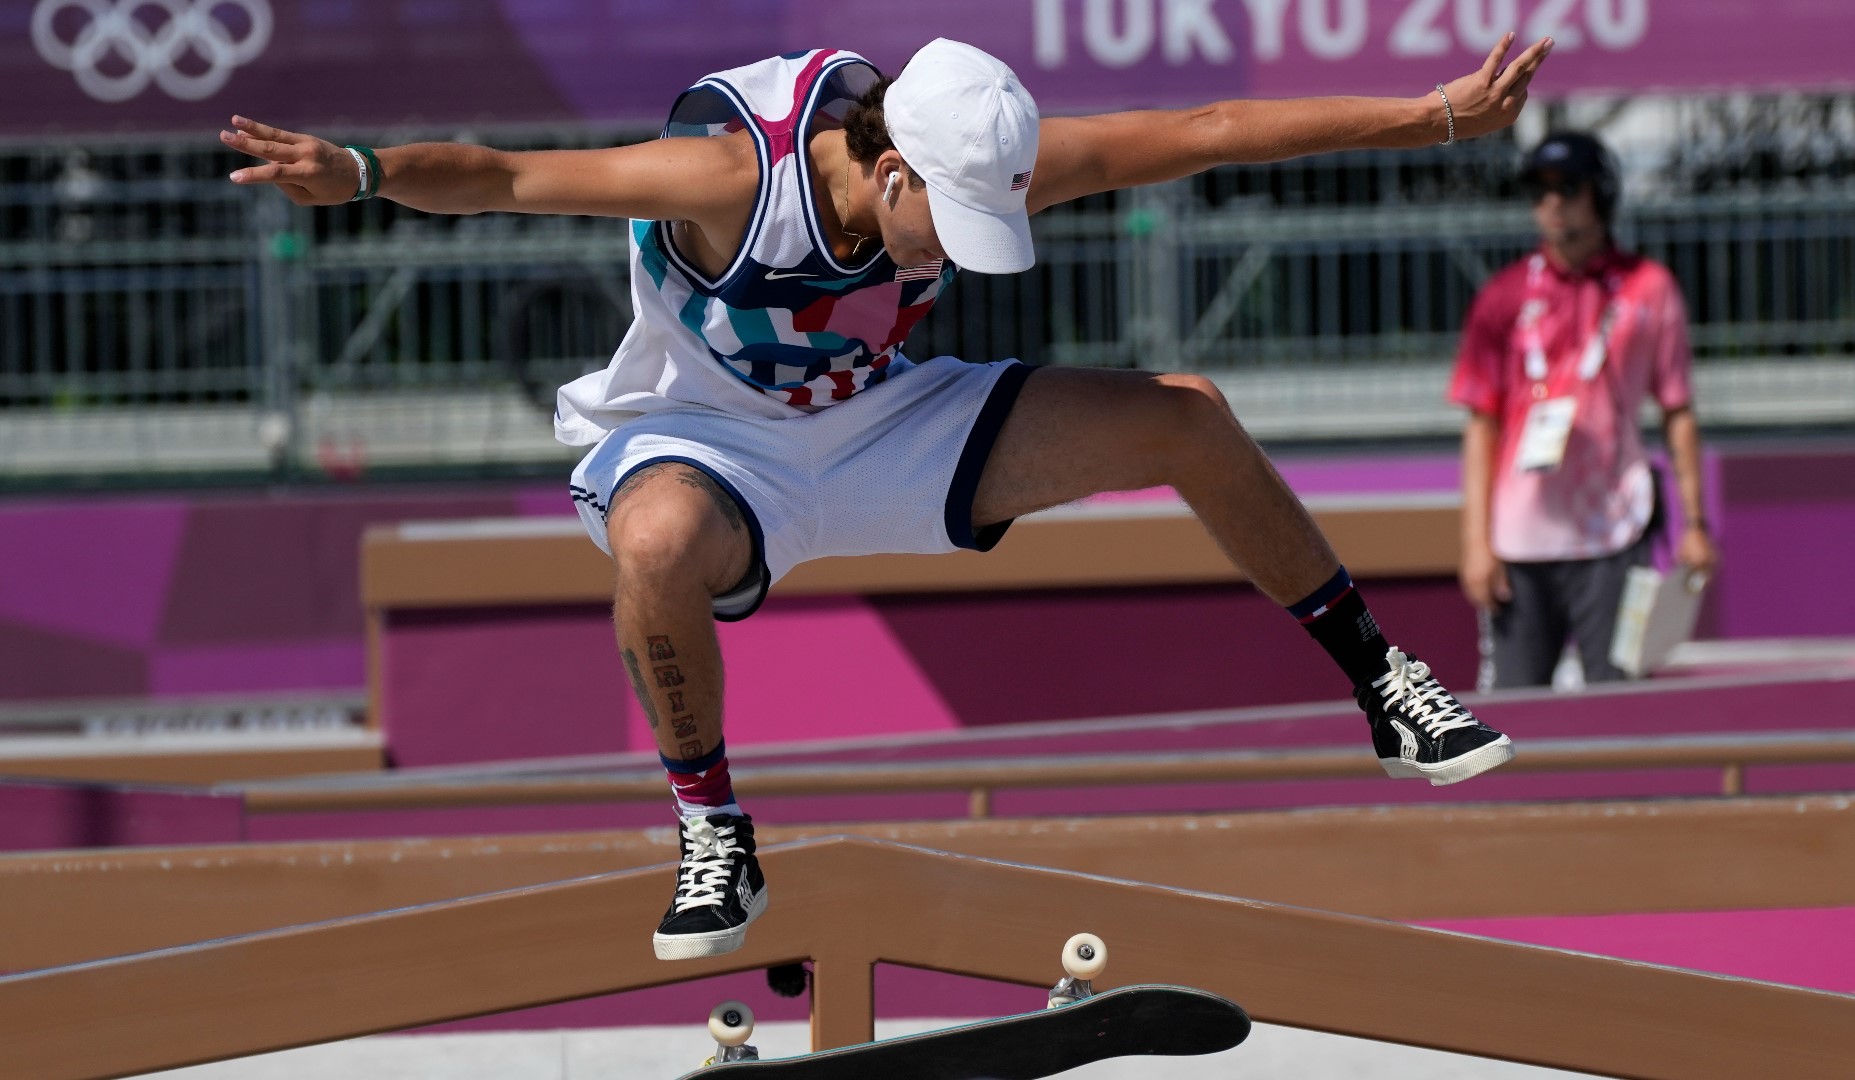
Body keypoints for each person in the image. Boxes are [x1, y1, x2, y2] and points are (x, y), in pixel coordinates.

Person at [224, 33, 1552, 961]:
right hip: (709, 434)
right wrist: (361, 170)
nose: (962, 253)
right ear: (894, 172)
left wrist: (1435, 116)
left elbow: (1205, 136)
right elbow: (510, 178)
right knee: (656, 544)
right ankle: (713, 832)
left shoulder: (968, 143)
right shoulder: (725, 178)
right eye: (952, 226)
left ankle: (1385, 687)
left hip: (883, 421)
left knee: (1187, 419)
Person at [1451, 131, 1719, 690]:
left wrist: (1695, 523)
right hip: (1521, 536)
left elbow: (1677, 409)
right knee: (1511, 715)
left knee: (1619, 701)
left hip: (1615, 528)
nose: (1551, 203)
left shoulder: (1649, 289)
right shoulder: (1501, 297)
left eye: (1567, 188)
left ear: (1601, 194)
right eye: (1538, 190)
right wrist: (1476, 543)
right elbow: (1482, 426)